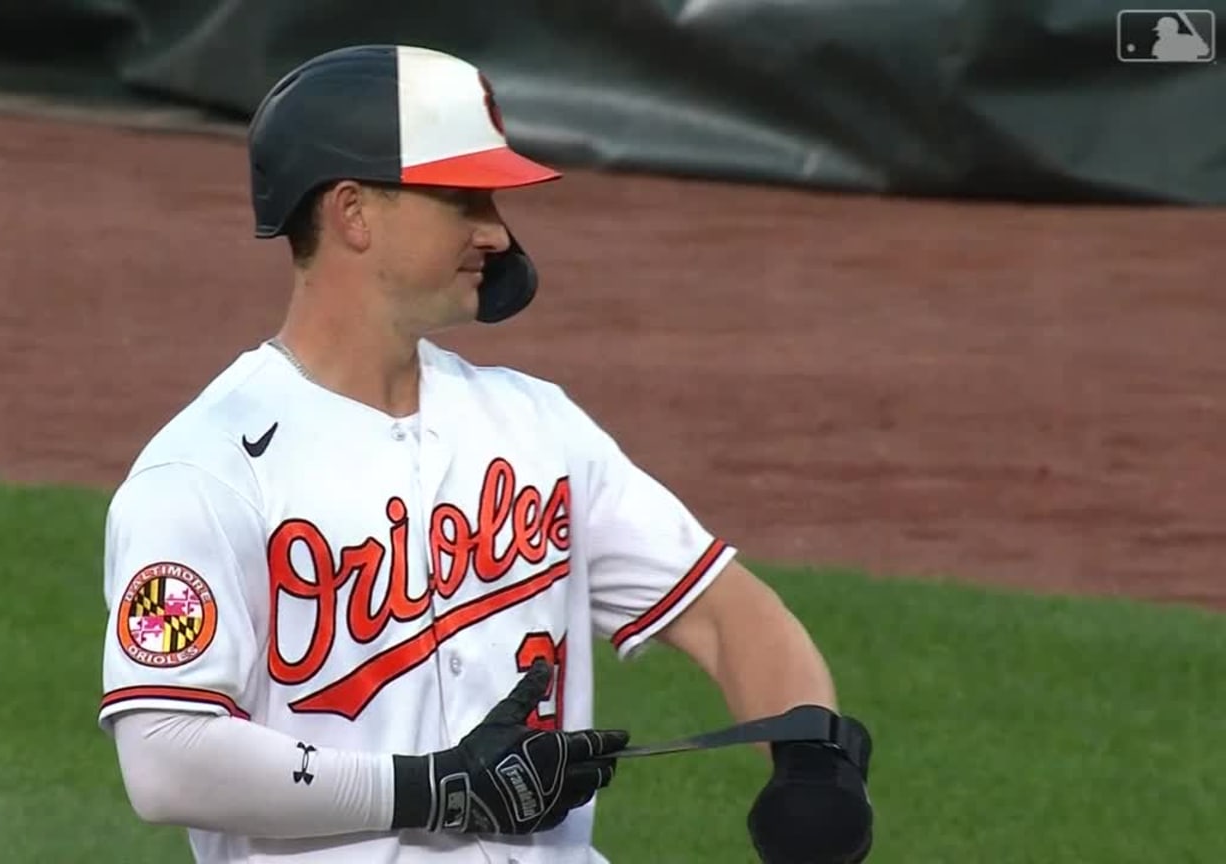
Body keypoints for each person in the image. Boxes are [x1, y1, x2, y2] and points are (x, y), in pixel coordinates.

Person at [97, 43, 874, 864]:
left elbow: (726, 614)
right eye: (462, 199)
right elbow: (167, 758)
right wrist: (429, 787)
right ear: (353, 212)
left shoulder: (534, 424)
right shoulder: (209, 469)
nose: (497, 233)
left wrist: (811, 758)